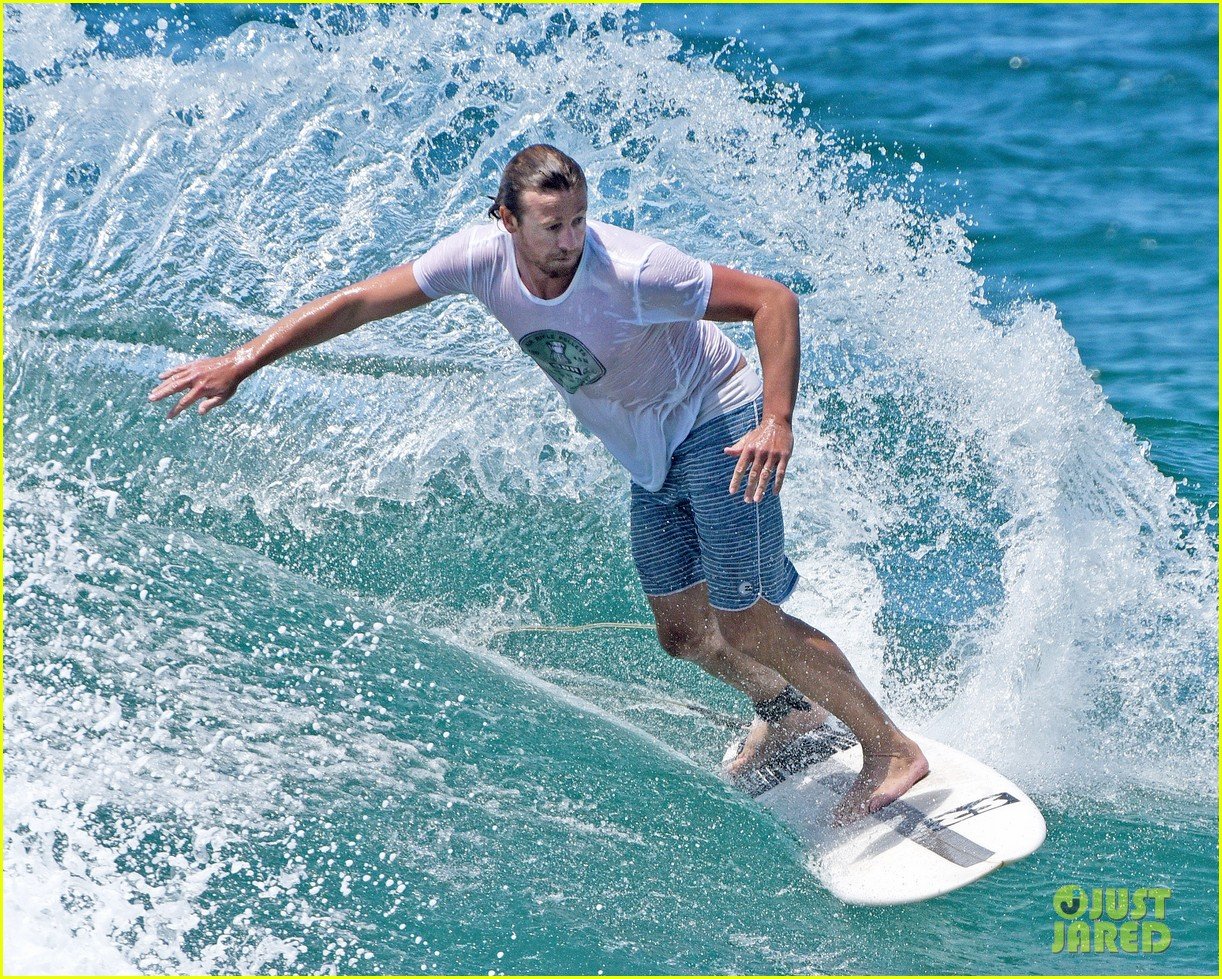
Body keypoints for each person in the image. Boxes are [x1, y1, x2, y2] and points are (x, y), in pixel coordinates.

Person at [149, 144, 928, 824]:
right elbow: (358, 304)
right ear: (506, 219)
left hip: (719, 424)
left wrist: (778, 418)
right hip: (649, 453)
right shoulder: (476, 259)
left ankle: (889, 747)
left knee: (748, 619)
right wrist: (243, 360)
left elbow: (771, 300)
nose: (568, 241)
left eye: (579, 221)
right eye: (551, 227)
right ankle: (788, 710)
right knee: (684, 634)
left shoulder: (631, 270)